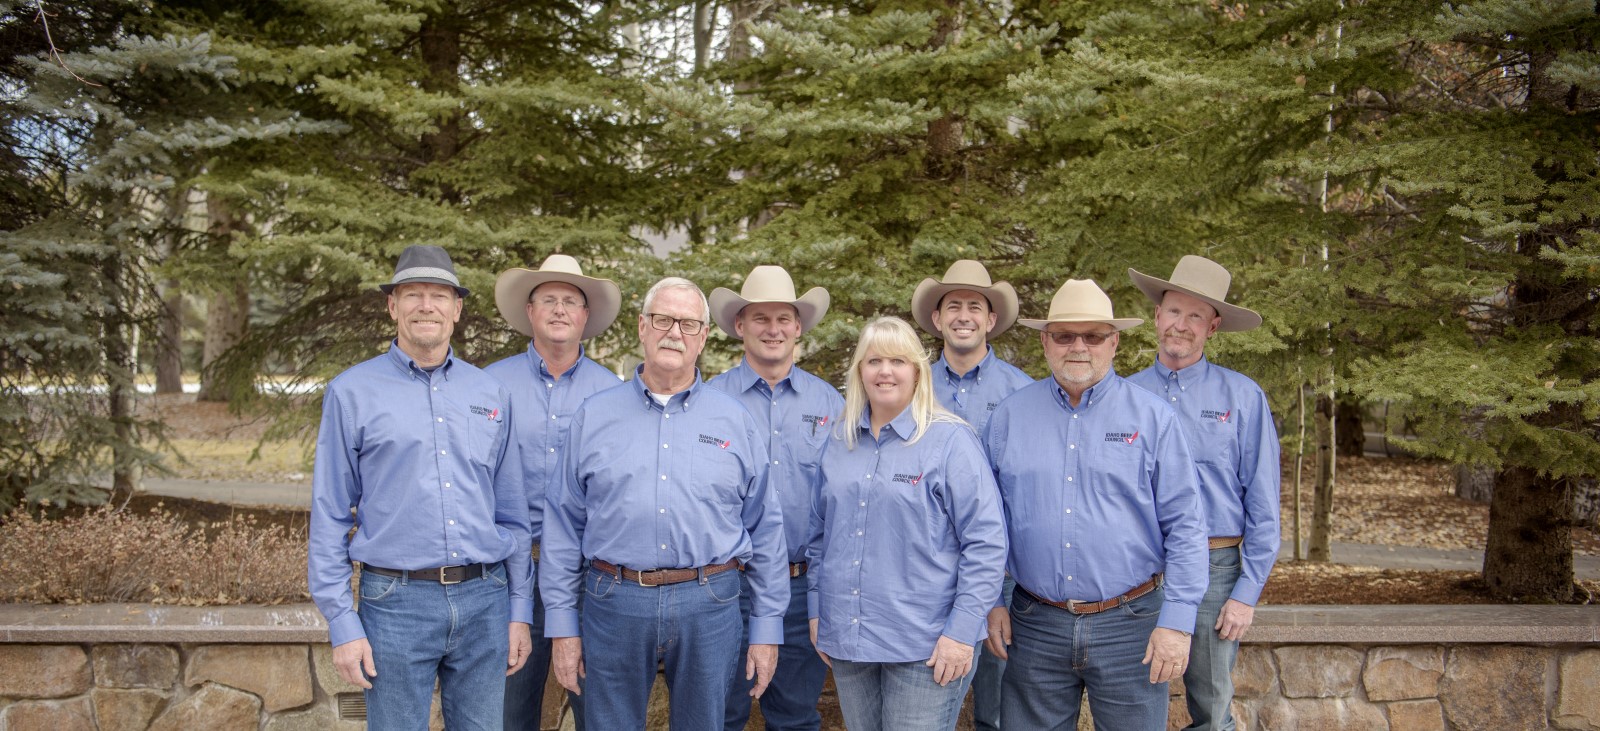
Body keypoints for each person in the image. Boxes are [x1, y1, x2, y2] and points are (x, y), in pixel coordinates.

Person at [541, 277, 788, 730]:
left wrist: (767, 629)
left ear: (704, 338)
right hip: (613, 600)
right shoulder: (594, 416)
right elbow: (562, 525)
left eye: (689, 324)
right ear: (642, 327)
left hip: (709, 603)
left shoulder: (736, 420)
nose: (674, 332)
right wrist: (561, 624)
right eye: (663, 319)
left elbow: (766, 528)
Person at [309, 244, 533, 729]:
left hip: (485, 600)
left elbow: (512, 514)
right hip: (395, 603)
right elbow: (329, 513)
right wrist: (342, 622)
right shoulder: (351, 393)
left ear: (457, 309)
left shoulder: (490, 394)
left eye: (439, 295)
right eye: (413, 294)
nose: (426, 305)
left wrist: (519, 610)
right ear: (393, 306)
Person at [984, 279, 1207, 731]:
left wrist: (1178, 623)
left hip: (1132, 625)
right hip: (1034, 623)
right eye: (1065, 335)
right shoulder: (1008, 416)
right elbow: (984, 526)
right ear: (1046, 340)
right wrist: (990, 601)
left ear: (1114, 342)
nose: (1079, 347)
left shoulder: (1153, 419)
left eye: (1094, 336)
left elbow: (1185, 526)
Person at [806, 316, 1007, 731]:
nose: (885, 371)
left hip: (927, 645)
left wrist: (961, 633)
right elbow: (820, 537)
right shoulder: (839, 442)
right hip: (849, 637)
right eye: (873, 360)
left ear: (917, 371)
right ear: (859, 371)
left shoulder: (950, 441)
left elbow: (986, 544)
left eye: (897, 360)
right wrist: (816, 610)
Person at [1127, 256, 1281, 731]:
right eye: (1174, 311)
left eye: (1196, 316)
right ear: (1157, 316)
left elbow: (1263, 503)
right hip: (1140, 567)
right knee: (1133, 696)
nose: (1182, 325)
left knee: (1212, 706)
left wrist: (1246, 593)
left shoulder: (1243, 398)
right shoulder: (1124, 396)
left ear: (1213, 327)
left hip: (1217, 568)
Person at [487, 254, 622, 730]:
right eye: (549, 299)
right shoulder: (489, 386)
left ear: (586, 317)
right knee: (507, 710)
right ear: (530, 310)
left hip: (588, 577)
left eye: (571, 301)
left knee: (598, 708)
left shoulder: (614, 394)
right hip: (507, 576)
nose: (560, 309)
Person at [708, 265, 844, 731]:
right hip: (728, 586)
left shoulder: (830, 406)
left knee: (796, 715)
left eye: (783, 318)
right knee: (721, 713)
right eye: (760, 318)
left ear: (798, 326)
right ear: (740, 326)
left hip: (801, 586)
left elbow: (842, 502)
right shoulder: (709, 402)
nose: (773, 329)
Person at [910, 260, 1033, 730]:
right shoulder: (911, 386)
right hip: (927, 567)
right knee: (922, 698)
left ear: (991, 320)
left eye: (974, 307)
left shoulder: (1023, 392)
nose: (964, 315)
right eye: (953, 306)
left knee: (1001, 708)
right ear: (937, 320)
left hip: (1003, 570)